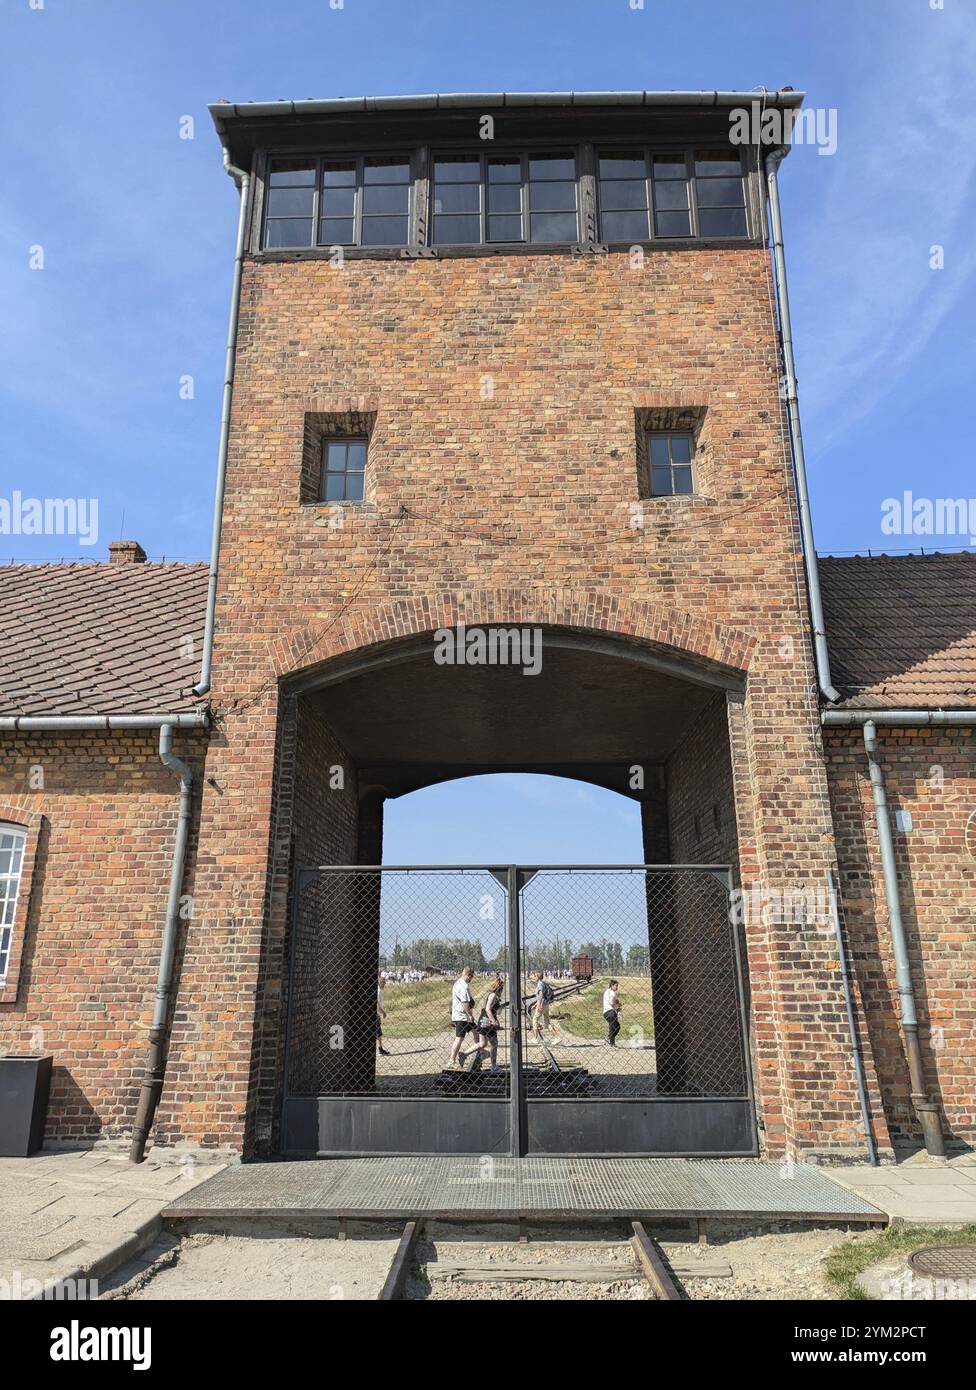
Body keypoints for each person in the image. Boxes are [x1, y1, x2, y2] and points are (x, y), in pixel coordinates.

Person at [475, 976, 505, 1073]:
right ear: (499, 988)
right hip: (488, 1022)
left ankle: (465, 1054)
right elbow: (488, 1009)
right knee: (494, 1044)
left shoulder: (488, 994)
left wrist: (496, 1019)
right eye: (502, 989)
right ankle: (494, 1065)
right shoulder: (493, 996)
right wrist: (493, 1021)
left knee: (482, 1043)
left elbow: (490, 1010)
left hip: (483, 1020)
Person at [449, 966, 477, 1068]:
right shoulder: (463, 986)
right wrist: (470, 1015)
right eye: (471, 977)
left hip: (461, 1015)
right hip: (462, 1016)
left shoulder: (458, 982)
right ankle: (451, 1060)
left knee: (477, 1032)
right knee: (459, 1038)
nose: (471, 979)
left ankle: (478, 1052)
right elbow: (465, 1002)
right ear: (468, 975)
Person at [530, 970, 562, 1044]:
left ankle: (535, 1038)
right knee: (547, 1023)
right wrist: (536, 1004)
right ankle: (557, 1037)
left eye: (534, 976)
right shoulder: (543, 983)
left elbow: (541, 995)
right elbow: (542, 996)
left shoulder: (540, 984)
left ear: (537, 976)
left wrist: (539, 1005)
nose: (533, 977)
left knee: (535, 1020)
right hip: (546, 1005)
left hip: (542, 1005)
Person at [603, 979, 621, 1047]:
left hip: (606, 1012)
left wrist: (616, 1002)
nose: (617, 987)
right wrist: (617, 1007)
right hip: (611, 1012)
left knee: (615, 1026)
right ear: (612, 985)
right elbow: (611, 1002)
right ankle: (612, 1043)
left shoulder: (607, 991)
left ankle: (609, 1039)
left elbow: (612, 1000)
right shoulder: (612, 992)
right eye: (616, 985)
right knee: (614, 1027)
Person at [376, 972, 389, 1057]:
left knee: (378, 1033)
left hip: (377, 1014)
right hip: (376, 1015)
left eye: (384, 982)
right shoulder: (378, 991)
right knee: (378, 1033)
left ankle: (380, 1049)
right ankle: (380, 1050)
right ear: (379, 983)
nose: (384, 984)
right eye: (383, 982)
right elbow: (377, 1004)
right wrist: (383, 1012)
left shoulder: (380, 991)